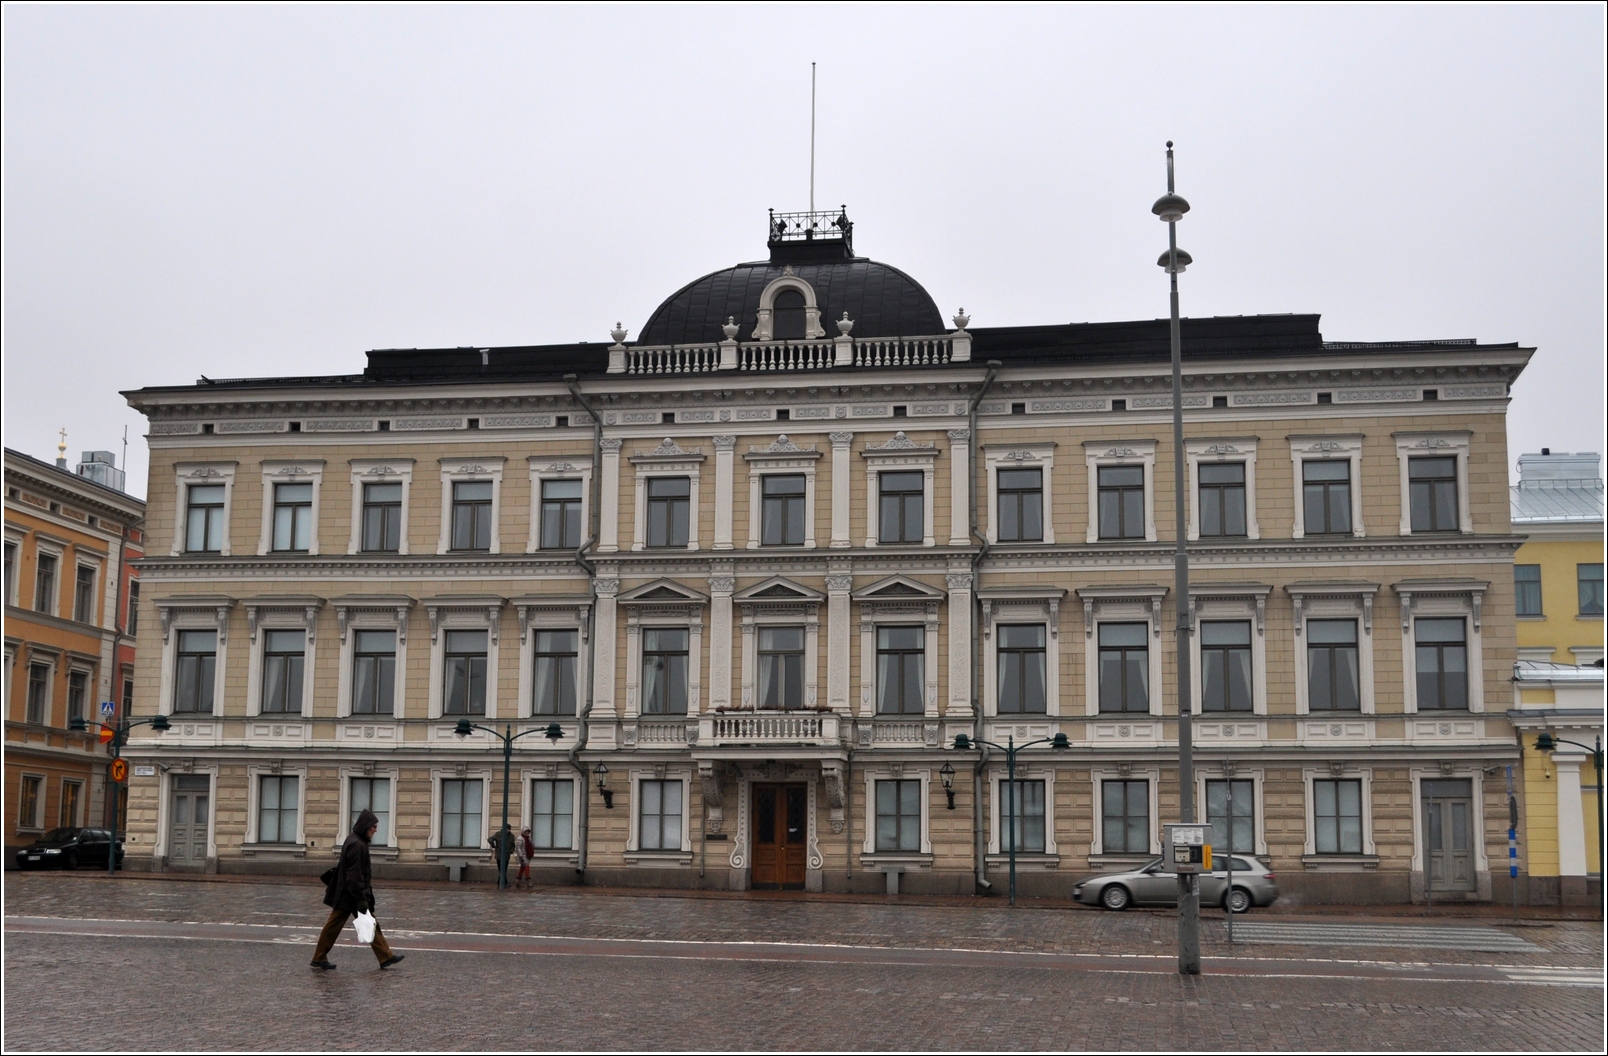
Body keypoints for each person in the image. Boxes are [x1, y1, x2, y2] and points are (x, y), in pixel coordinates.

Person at [311, 809, 404, 970]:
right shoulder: (358, 845)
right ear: (366, 826)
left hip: (348, 894)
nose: (375, 830)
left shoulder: (353, 840)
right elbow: (354, 876)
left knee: (367, 923)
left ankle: (385, 956)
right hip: (350, 896)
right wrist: (361, 899)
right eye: (373, 826)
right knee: (337, 927)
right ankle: (319, 957)